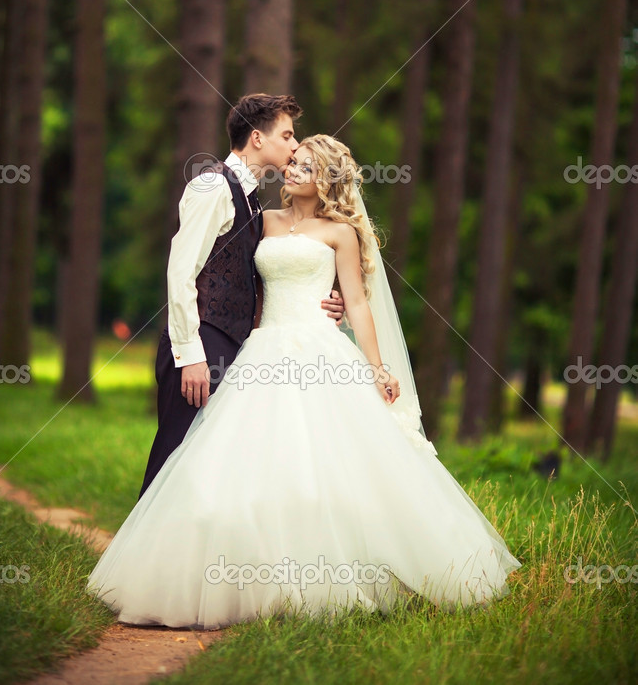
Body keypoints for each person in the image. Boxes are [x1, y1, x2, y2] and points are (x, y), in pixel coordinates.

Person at [89, 135, 521, 628]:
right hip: (263, 349)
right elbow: (238, 280)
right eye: (293, 161)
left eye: (306, 167)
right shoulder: (262, 221)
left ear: (327, 181)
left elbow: (356, 302)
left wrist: (376, 366)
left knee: (326, 465)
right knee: (242, 463)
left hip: (319, 351)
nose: (292, 170)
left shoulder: (340, 232)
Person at [138, 94, 344, 497]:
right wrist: (190, 354)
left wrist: (323, 298)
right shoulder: (212, 186)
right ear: (256, 138)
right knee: (173, 460)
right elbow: (181, 272)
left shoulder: (249, 200)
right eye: (286, 135)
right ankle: (142, 558)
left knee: (204, 469)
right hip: (201, 345)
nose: (293, 145)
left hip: (232, 347)